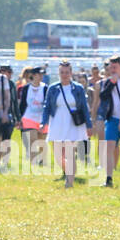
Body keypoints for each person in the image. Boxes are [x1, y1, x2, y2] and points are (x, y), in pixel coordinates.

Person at [41, 60, 91, 189]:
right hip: (57, 122)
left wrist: (89, 125)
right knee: (58, 156)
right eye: (62, 72)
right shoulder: (53, 88)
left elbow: (85, 107)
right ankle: (68, 170)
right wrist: (43, 122)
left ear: (71, 73)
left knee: (69, 152)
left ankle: (69, 181)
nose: (64, 75)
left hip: (73, 123)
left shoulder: (78, 88)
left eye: (67, 72)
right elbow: (46, 107)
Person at [96, 56, 120, 187]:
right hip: (112, 119)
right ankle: (108, 178)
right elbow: (103, 96)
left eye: (114, 68)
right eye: (110, 68)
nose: (112, 70)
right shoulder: (109, 81)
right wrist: (112, 83)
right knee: (109, 147)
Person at [16, 66, 47, 169]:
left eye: (42, 74)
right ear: (33, 75)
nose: (41, 76)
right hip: (29, 117)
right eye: (39, 74)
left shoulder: (45, 88)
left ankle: (42, 160)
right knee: (32, 140)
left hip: (41, 118)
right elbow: (23, 104)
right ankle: (33, 163)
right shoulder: (26, 88)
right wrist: (19, 118)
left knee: (41, 141)